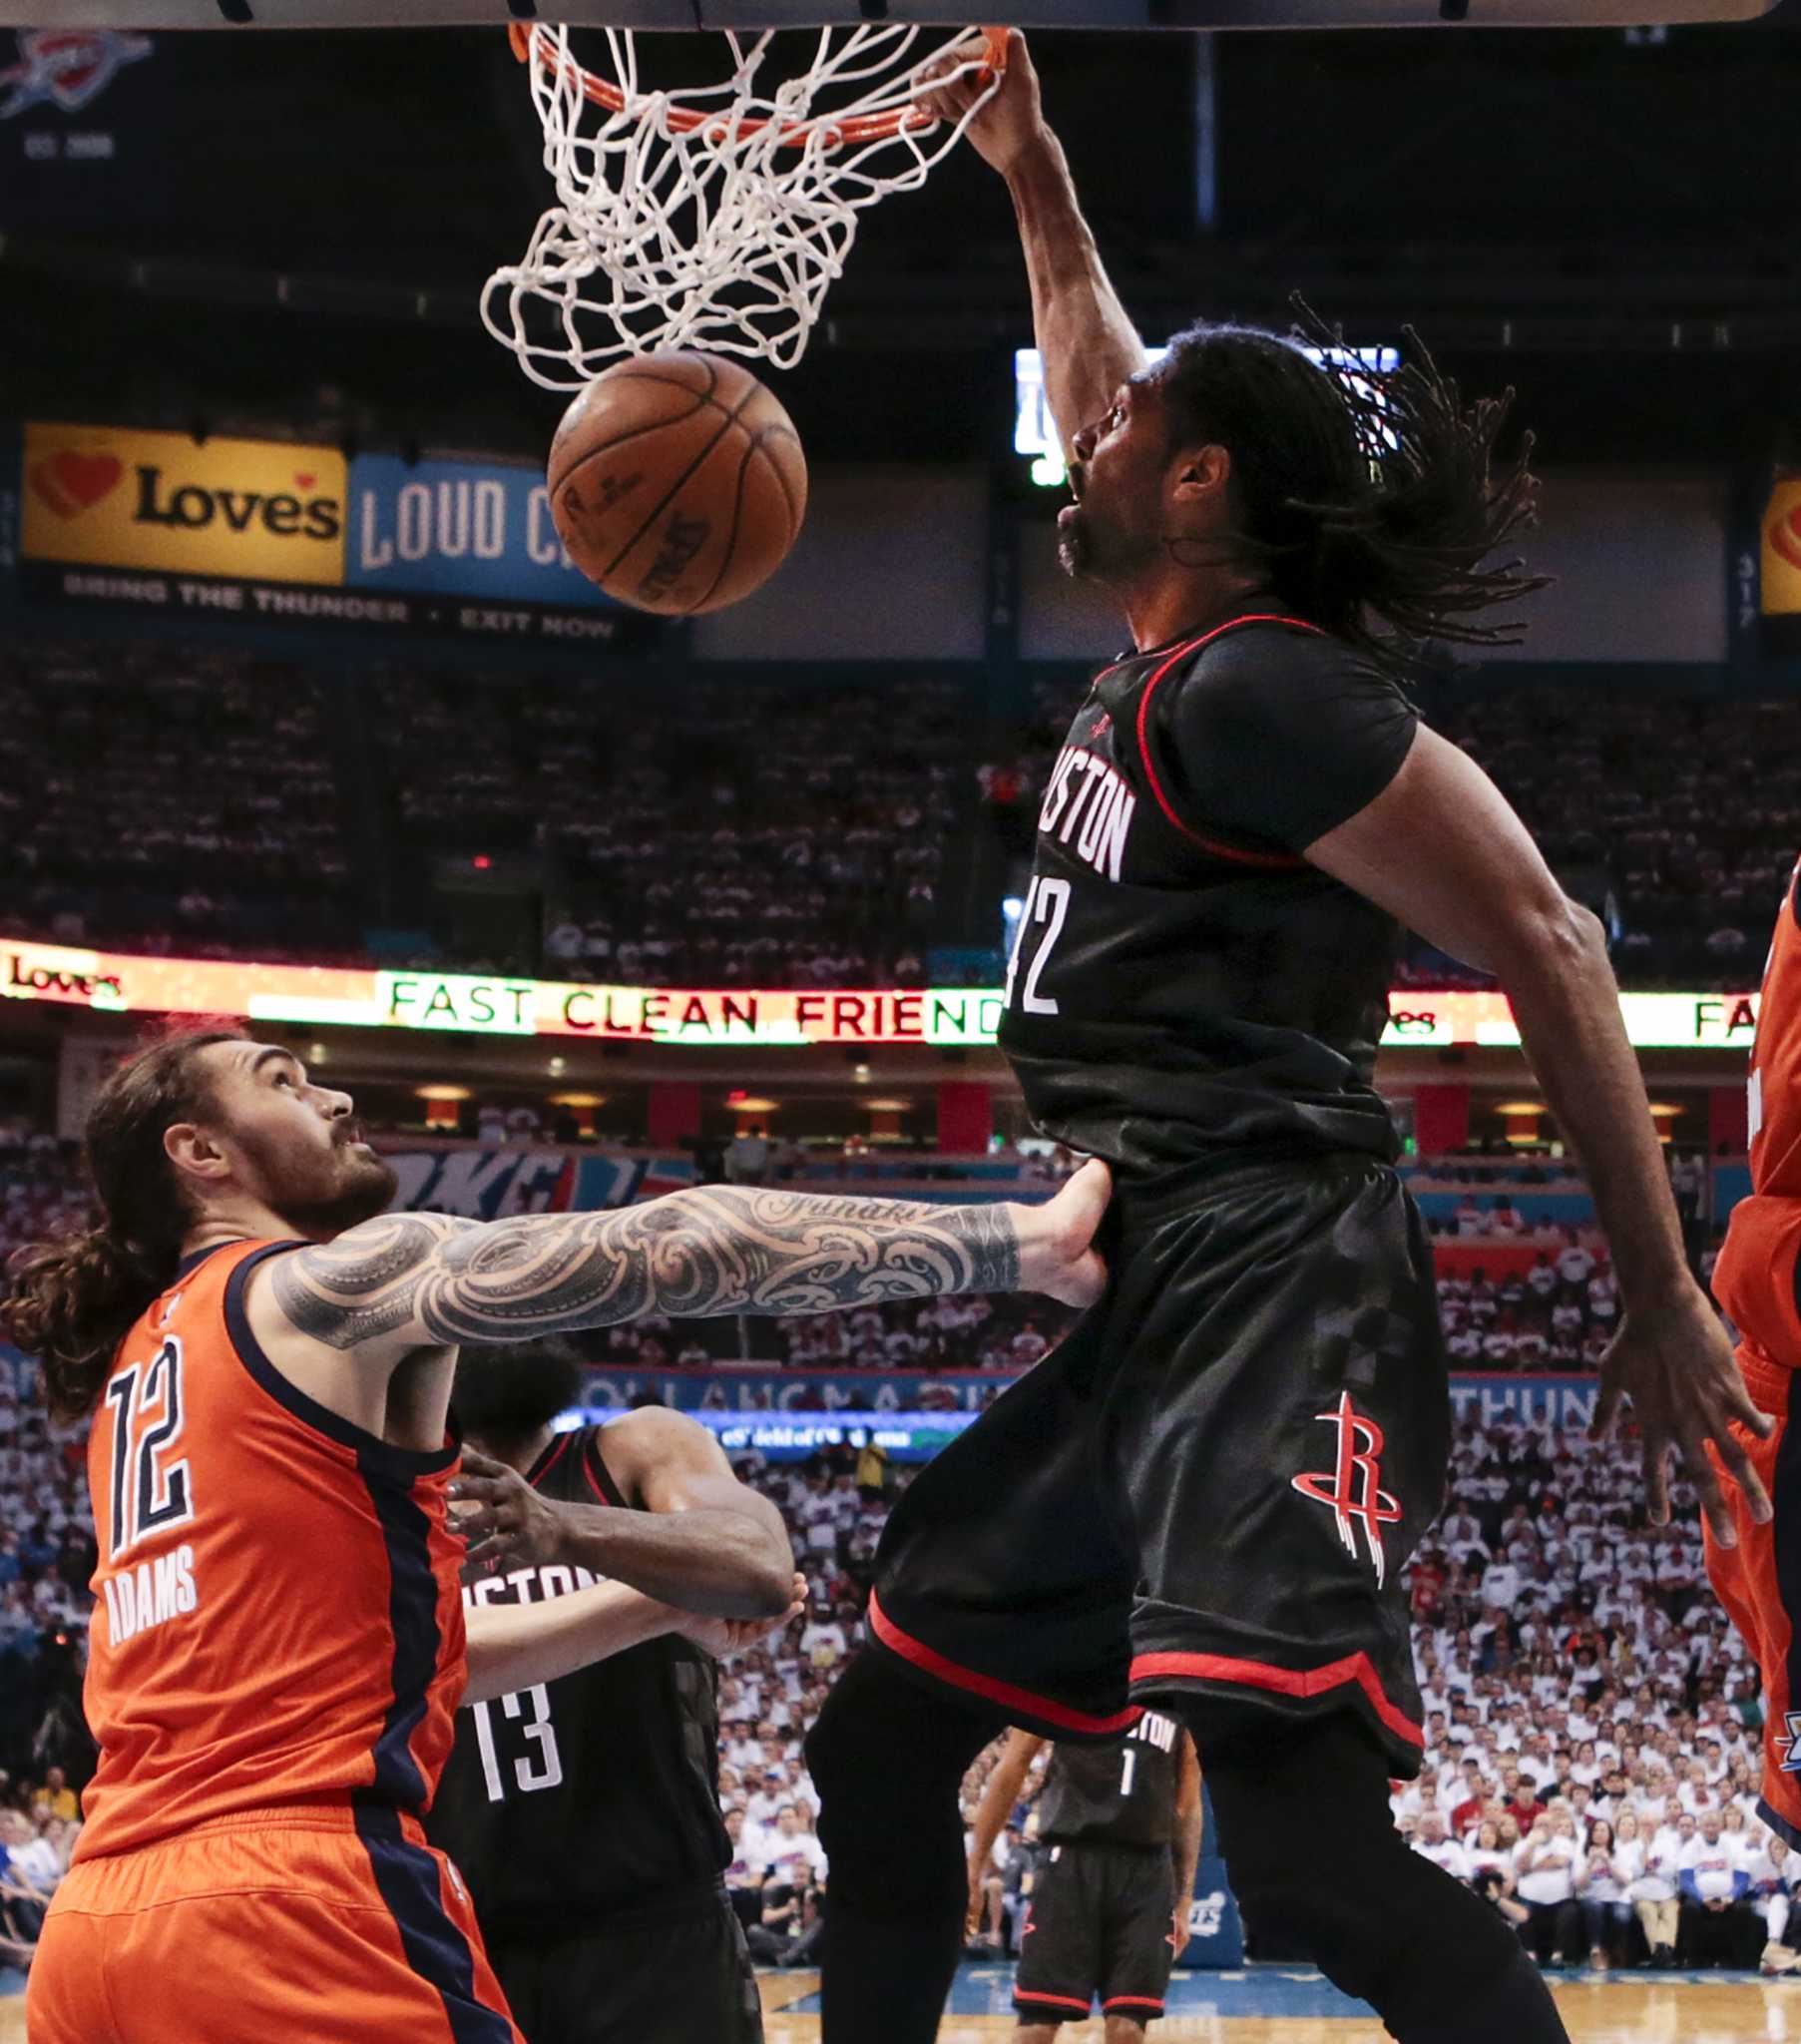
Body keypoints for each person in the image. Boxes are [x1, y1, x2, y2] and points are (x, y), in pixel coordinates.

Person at [803, 31, 1768, 2044]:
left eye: (1124, 432)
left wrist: (1659, 1289)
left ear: (1201, 482)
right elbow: (1096, 365)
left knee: (1311, 1861)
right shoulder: (1179, 640)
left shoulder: (1266, 690)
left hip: (1276, 1280)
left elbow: (1549, 940)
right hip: (1157, 1282)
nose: (1080, 434)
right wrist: (1032, 169)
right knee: (876, 1734)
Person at [0, 1026, 1109, 2044]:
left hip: (99, 1925)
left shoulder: (137, 1373)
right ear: (200, 1152)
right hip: (286, 1904)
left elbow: (390, 1661)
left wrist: (654, 1605)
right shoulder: (322, 1288)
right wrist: (1023, 1240)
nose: (334, 1099)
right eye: (283, 1083)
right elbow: (674, 1244)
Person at [426, 1339, 795, 2044]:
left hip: (654, 1929)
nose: (508, 1326)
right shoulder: (392, 1501)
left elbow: (758, 1562)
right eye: (482, 1310)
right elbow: (412, 1656)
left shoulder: (634, 1448)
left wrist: (561, 1525)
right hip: (460, 1935)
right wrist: (664, 1601)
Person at [964, 1715, 1202, 2042]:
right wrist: (975, 1868)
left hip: (1146, 1870)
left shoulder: (1175, 1694)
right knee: (1037, 2025)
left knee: (1128, 2029)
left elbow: (1188, 1805)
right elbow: (1013, 1765)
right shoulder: (1064, 1682)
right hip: (1069, 1859)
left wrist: (1185, 1899)